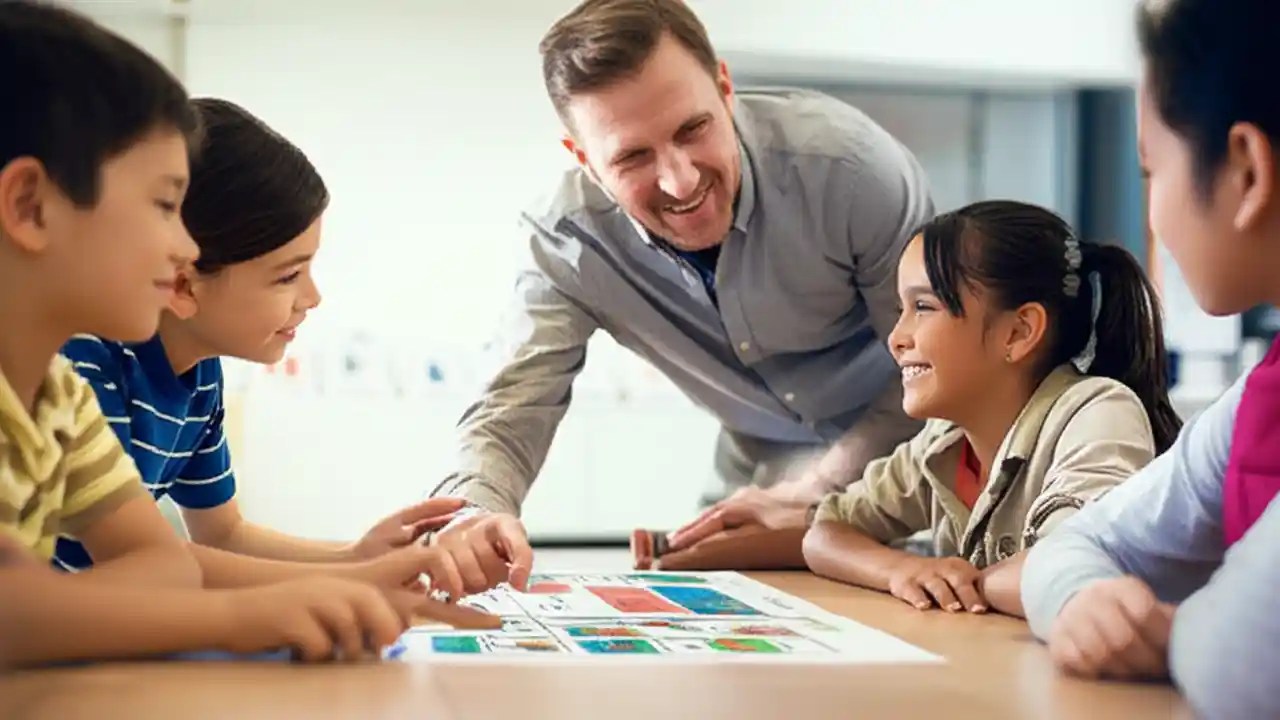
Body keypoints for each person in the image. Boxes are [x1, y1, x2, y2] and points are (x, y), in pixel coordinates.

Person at [0, 2, 491, 670]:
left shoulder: (59, 400)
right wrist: (242, 613)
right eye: (165, 207)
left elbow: (164, 565)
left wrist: (346, 570)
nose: (183, 248)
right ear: (29, 207)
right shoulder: (83, 366)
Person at [427, 0, 932, 579]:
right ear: (584, 161)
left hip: (909, 460)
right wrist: (473, 512)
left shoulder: (851, 171)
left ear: (724, 88)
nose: (680, 180)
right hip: (754, 480)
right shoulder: (566, 241)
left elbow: (935, 364)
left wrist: (818, 489)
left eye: (693, 129)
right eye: (632, 157)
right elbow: (512, 405)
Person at [57, 97, 523, 597]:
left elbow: (224, 534)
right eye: (288, 276)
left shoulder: (199, 375)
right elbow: (136, 559)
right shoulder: (81, 360)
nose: (313, 297)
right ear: (184, 285)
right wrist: (357, 580)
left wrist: (356, 557)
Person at [1020, 1, 1280, 716]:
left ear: (1247, 172)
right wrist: (1086, 601)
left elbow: (1246, 657)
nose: (1152, 216)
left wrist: (1174, 630)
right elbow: (1072, 547)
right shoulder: (1259, 399)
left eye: (1150, 168)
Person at [799, 200, 1178, 616]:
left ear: (1018, 332)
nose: (896, 338)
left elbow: (1078, 569)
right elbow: (826, 532)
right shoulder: (943, 439)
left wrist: (965, 582)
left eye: (923, 307)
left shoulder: (1098, 412)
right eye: (899, 310)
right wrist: (902, 570)